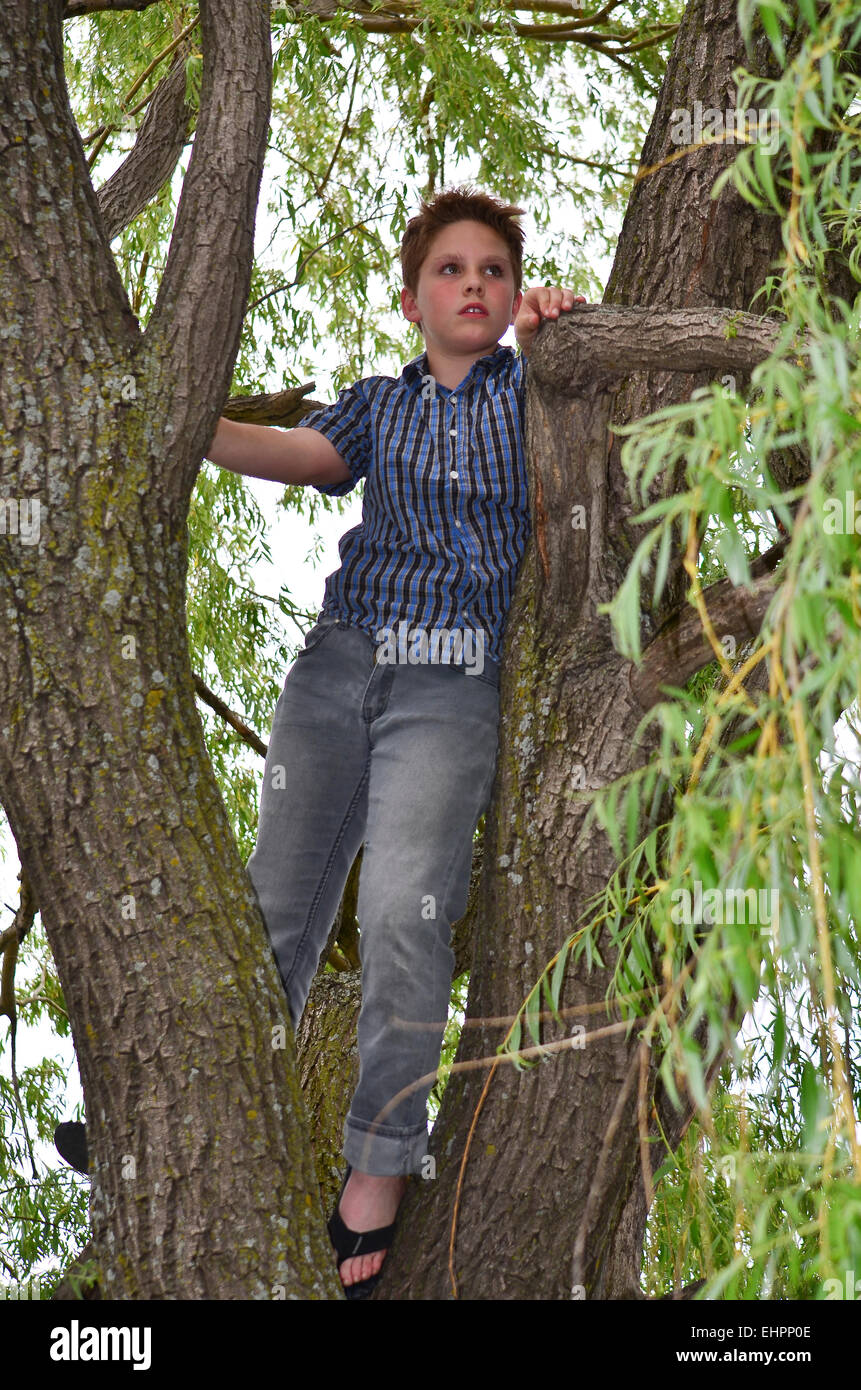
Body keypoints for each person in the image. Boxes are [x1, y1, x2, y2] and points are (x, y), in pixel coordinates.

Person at [205, 186, 583, 1297]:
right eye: (452, 270)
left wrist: (568, 329)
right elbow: (310, 457)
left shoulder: (542, 390)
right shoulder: (378, 404)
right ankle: (204, 1099)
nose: (475, 285)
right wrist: (186, 420)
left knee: (404, 905)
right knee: (272, 906)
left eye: (496, 271)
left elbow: (615, 428)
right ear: (413, 297)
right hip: (341, 662)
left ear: (513, 294)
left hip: (451, 680)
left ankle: (376, 1169)